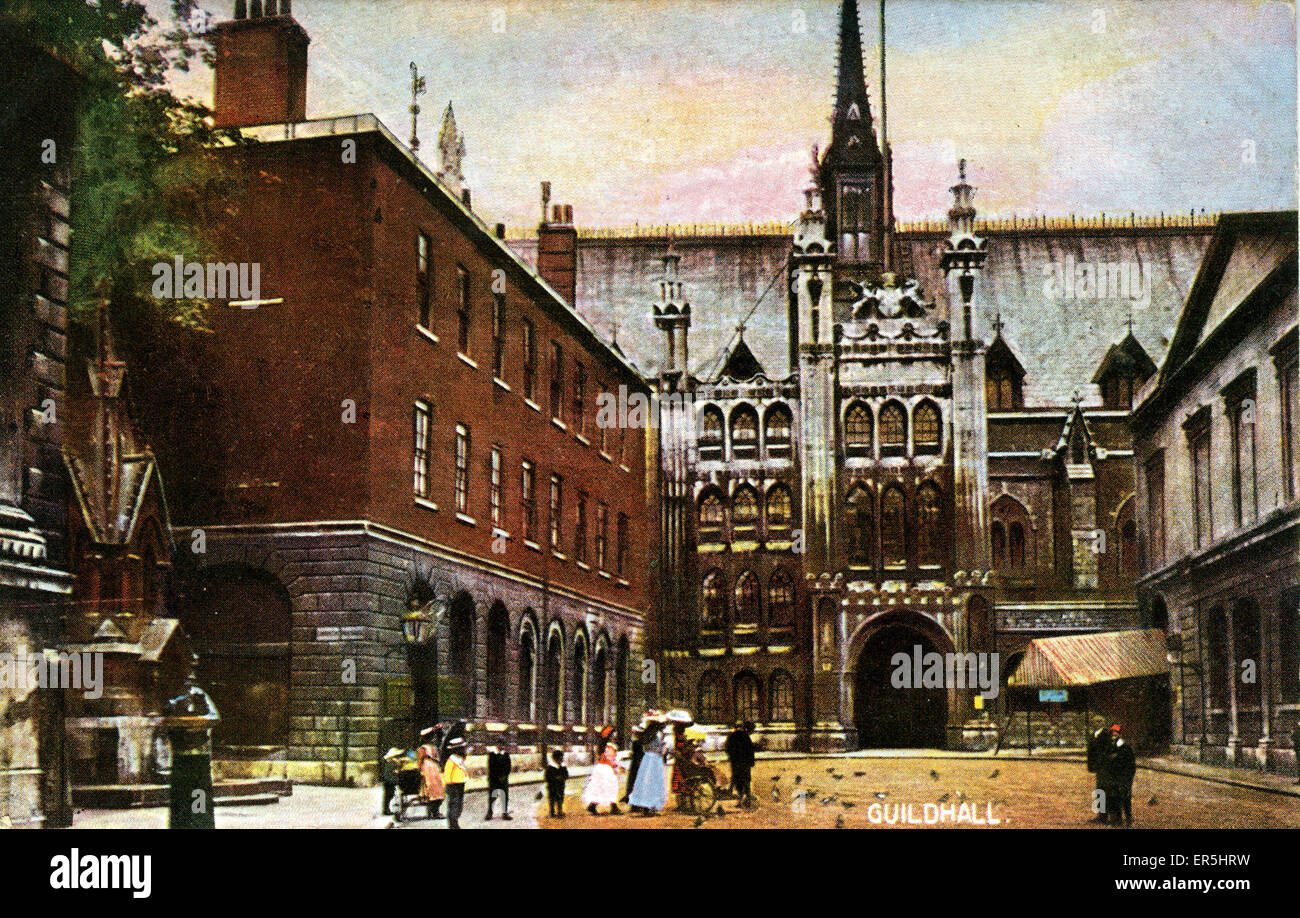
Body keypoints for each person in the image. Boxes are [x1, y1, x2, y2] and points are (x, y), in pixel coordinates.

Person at [628, 715, 668, 815]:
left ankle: (650, 806)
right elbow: (654, 747)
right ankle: (648, 806)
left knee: (651, 783)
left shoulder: (652, 735)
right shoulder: (652, 735)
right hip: (652, 760)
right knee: (650, 782)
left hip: (652, 759)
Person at [1100, 723, 1136, 827]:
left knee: (1125, 797)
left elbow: (1128, 762)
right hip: (1117, 776)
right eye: (1112, 732)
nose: (1114, 734)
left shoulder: (1123, 745)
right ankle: (1118, 820)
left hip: (1125, 775)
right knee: (1116, 797)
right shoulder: (1114, 744)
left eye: (1116, 732)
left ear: (1119, 733)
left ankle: (1128, 818)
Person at [583, 735, 624, 815]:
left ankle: (594, 806)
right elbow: (612, 760)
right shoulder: (610, 748)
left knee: (599, 788)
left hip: (599, 769)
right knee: (610, 788)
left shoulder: (601, 747)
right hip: (606, 770)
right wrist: (618, 767)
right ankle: (613, 807)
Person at [1086, 721, 1114, 823]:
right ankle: (1111, 816)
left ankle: (1103, 817)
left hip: (1104, 767)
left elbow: (1093, 750)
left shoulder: (1099, 736)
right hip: (1108, 768)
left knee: (1102, 791)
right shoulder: (1110, 737)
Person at [725, 721, 756, 806]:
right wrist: (751, 762)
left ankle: (741, 799)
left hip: (735, 762)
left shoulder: (733, 735)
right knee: (746, 781)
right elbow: (750, 750)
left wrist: (732, 757)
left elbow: (727, 748)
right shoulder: (745, 736)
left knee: (738, 780)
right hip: (744, 763)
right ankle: (747, 799)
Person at [416, 733, 445, 818]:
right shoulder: (432, 747)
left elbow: (420, 759)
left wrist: (419, 769)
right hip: (434, 767)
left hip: (428, 767)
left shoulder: (423, 748)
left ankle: (434, 810)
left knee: (431, 787)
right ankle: (435, 810)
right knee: (436, 787)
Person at [441, 736, 468, 829]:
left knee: (458, 804)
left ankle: (455, 822)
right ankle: (453, 824)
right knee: (454, 804)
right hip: (453, 785)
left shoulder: (459, 758)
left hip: (460, 783)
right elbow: (447, 774)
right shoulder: (451, 760)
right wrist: (449, 785)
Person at [485, 746, 512, 821]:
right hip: (494, 780)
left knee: (504, 797)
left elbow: (509, 767)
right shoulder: (492, 755)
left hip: (504, 780)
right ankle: (490, 813)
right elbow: (491, 767)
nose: (501, 747)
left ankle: (505, 813)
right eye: (499, 745)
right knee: (492, 797)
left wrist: (504, 776)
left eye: (503, 745)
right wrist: (496, 777)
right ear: (497, 746)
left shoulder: (506, 755)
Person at [622, 725, 644, 808]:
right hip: (639, 763)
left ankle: (632, 801)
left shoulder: (635, 742)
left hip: (635, 763)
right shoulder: (640, 742)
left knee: (633, 782)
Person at [545, 749, 569, 818]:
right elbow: (547, 777)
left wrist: (562, 778)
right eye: (560, 758)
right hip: (552, 787)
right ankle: (552, 812)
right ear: (555, 759)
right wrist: (555, 778)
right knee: (552, 799)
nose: (561, 760)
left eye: (562, 758)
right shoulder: (550, 768)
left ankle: (559, 811)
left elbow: (566, 775)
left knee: (560, 799)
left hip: (560, 786)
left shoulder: (563, 767)